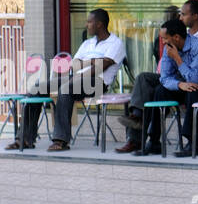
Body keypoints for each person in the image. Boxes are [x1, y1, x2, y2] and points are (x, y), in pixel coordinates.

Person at [7, 9, 125, 152]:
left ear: (99, 24)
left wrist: (85, 68)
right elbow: (74, 64)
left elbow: (103, 66)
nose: (87, 25)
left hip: (98, 83)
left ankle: (61, 140)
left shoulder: (116, 43)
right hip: (76, 78)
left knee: (67, 88)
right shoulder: (88, 43)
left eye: (89, 22)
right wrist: (93, 62)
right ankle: (24, 138)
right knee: (37, 88)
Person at [117, 0, 198, 153]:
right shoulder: (182, 35)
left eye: (184, 14)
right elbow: (168, 65)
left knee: (159, 91)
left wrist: (176, 67)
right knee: (143, 80)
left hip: (193, 80)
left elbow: (195, 74)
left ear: (195, 16)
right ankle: (138, 124)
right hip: (175, 77)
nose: (180, 17)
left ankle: (140, 135)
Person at [141, 18, 198, 158]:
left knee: (193, 90)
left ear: (176, 37)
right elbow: (164, 78)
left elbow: (194, 79)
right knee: (160, 91)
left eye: (165, 39)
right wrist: (179, 84)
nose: (163, 42)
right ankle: (154, 141)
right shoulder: (169, 49)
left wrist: (178, 59)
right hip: (191, 82)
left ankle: (192, 144)